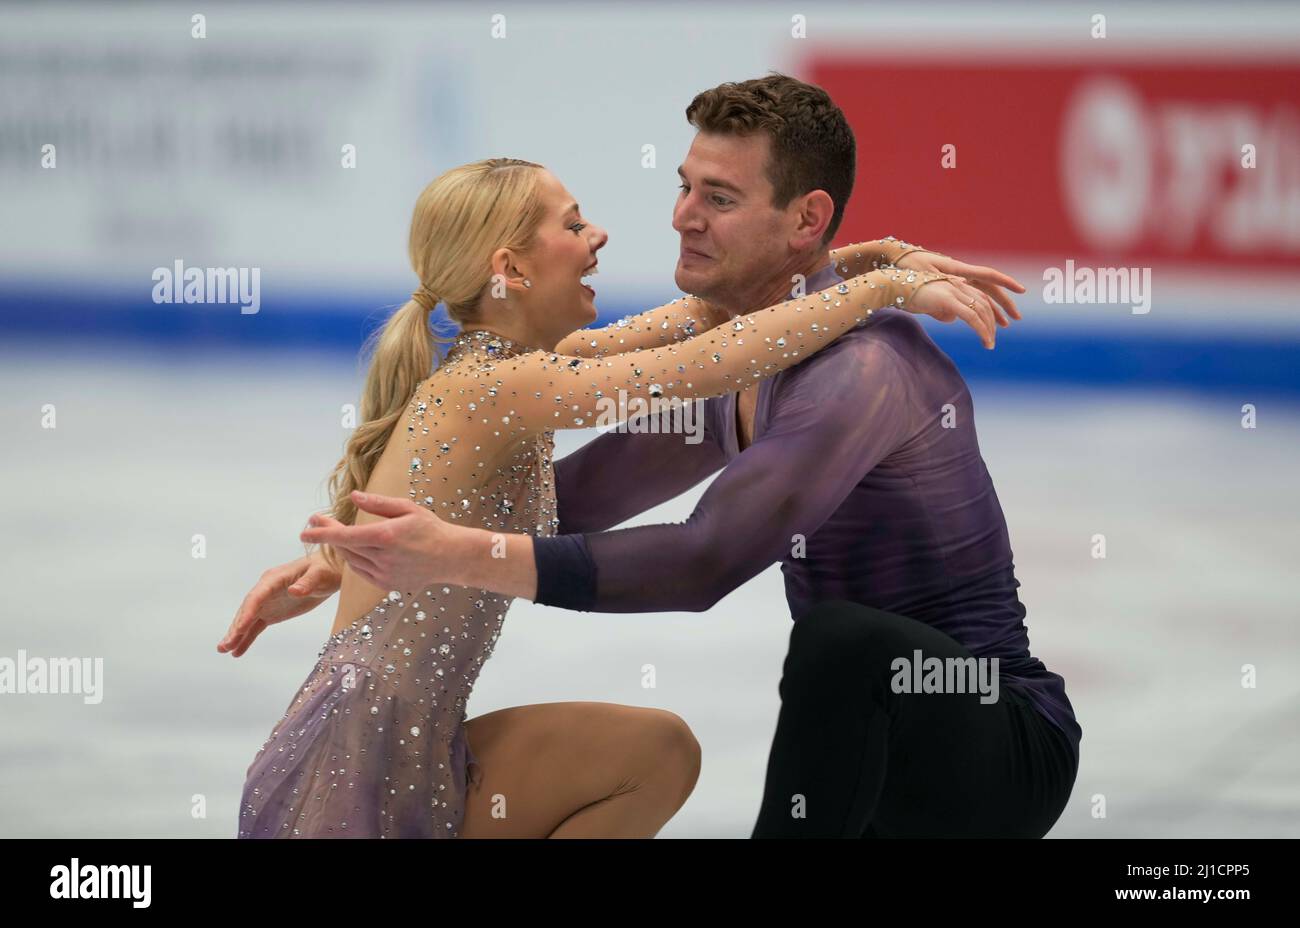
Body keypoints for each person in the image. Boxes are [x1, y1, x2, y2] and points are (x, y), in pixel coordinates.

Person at [282, 74, 1081, 839]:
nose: (681, 217)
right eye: (685, 186)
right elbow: (565, 502)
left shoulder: (860, 373)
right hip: (878, 756)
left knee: (843, 644)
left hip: (991, 741)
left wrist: (457, 552)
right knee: (695, 731)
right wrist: (357, 558)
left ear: (806, 221)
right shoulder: (743, 374)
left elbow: (703, 563)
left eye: (720, 199)